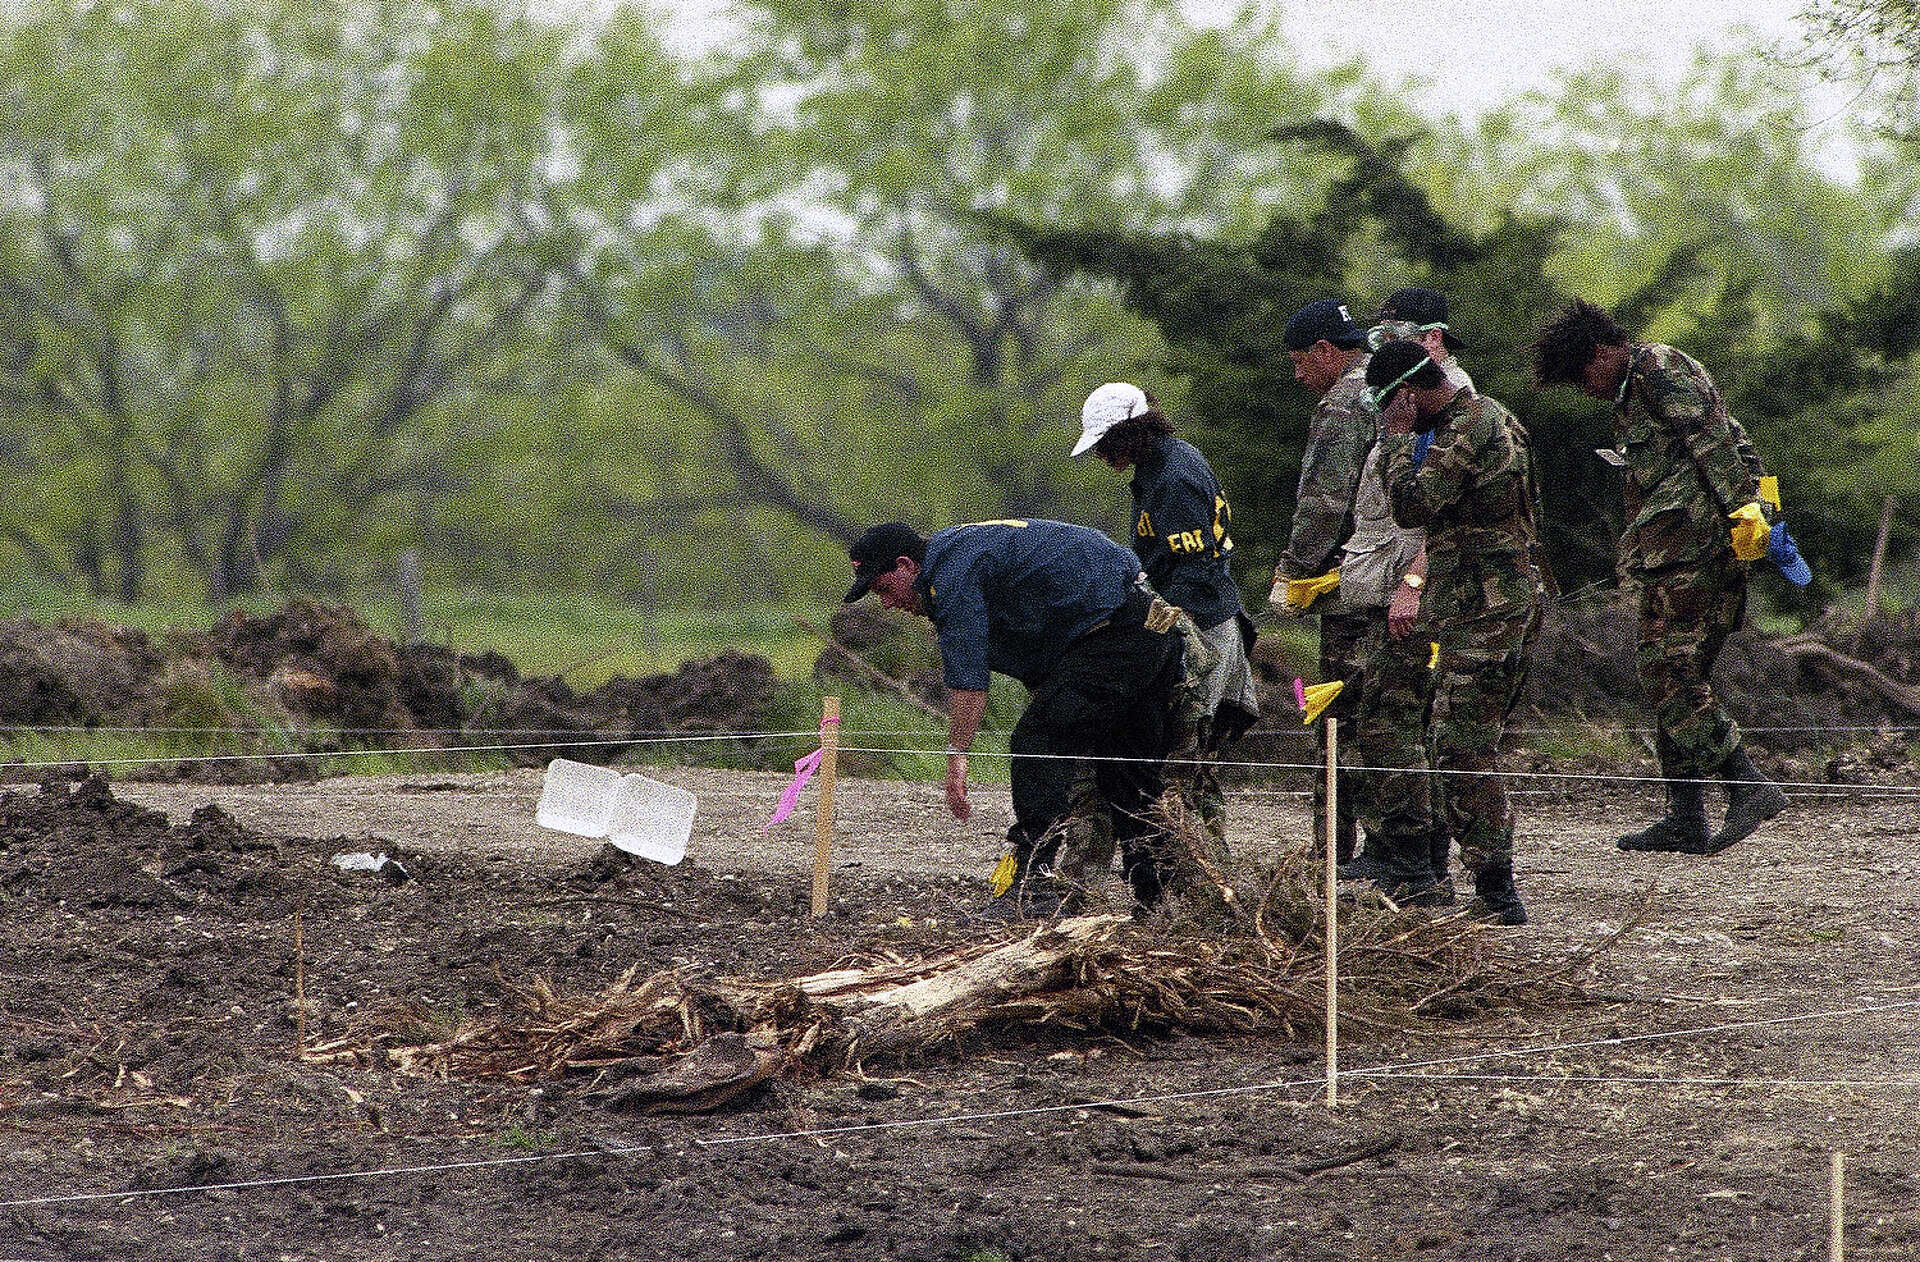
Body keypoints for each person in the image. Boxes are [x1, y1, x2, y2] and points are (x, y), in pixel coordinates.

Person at [1528, 298, 1787, 853]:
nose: (1585, 389)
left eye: (1582, 375)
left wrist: (1752, 511)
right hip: (1671, 549)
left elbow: (1719, 442)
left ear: (1602, 352)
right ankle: (1686, 813)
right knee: (1672, 673)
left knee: (1667, 669)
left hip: (1698, 548)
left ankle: (1745, 784)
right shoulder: (1634, 390)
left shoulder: (1660, 371)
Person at [843, 518, 1192, 915]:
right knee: (1127, 771)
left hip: (1118, 634)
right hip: (1150, 626)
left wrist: (957, 754)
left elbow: (969, 679)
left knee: (1037, 742)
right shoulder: (962, 549)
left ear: (906, 566)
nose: (887, 604)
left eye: (884, 589)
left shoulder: (952, 575)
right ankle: (1164, 902)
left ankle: (1033, 886)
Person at [1369, 340, 1545, 924]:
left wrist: (1395, 440)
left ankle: (1497, 892)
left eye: (1392, 402)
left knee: (1461, 746)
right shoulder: (1492, 415)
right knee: (1465, 741)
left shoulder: (1466, 430)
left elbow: (1411, 505)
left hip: (1487, 609)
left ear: (1411, 392)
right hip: (1492, 601)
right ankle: (1477, 878)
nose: (1391, 413)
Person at [1071, 382, 1259, 868]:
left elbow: (1195, 571)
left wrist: (1169, 644)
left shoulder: (1174, 478)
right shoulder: (1161, 465)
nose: (1103, 456)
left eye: (1107, 444)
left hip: (1204, 630)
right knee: (1188, 772)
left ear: (1132, 431)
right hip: (1195, 617)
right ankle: (1207, 878)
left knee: (1183, 767)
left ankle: (1203, 881)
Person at [1273, 299, 1377, 870]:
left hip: (1356, 584)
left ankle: (1332, 856)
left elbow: (1323, 502)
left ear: (1325, 352)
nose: (1297, 376)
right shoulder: (1389, 387)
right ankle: (1404, 854)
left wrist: (1293, 572)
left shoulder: (1343, 406)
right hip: (1405, 578)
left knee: (1340, 719)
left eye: (1299, 361)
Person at [1369, 286, 1473, 392]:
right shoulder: (1407, 381)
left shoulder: (1453, 386)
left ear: (1434, 337)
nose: (1388, 351)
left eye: (1396, 340)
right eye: (1383, 341)